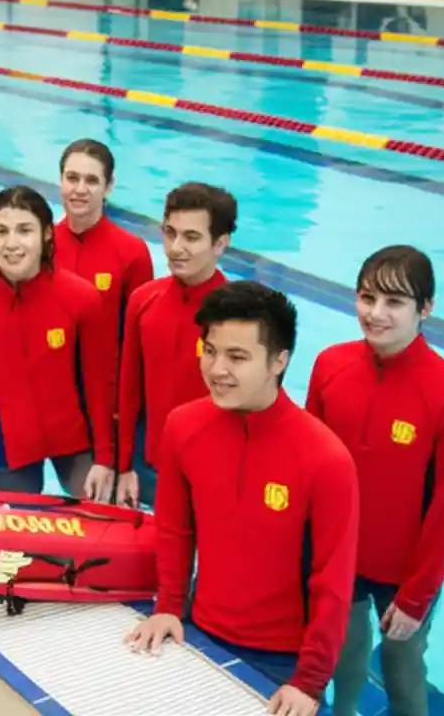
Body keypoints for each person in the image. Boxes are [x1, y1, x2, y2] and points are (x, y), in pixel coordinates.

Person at [124, 280, 359, 716]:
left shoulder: (326, 459)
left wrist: (307, 682)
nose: (216, 369)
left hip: (283, 664)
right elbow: (175, 529)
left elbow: (333, 583)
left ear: (279, 361)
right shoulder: (183, 427)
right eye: (210, 350)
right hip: (199, 632)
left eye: (237, 357)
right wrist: (169, 607)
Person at [305, 246, 444, 716]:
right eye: (367, 297)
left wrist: (418, 594)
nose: (376, 314)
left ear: (426, 309)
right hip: (339, 553)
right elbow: (307, 466)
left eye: (394, 303)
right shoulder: (330, 366)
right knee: (340, 654)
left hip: (405, 570)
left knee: (402, 670)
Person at [0, 186, 116, 495]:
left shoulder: (80, 297)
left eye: (24, 230)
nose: (12, 243)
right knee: (16, 538)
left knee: (102, 519)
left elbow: (97, 383)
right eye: (1, 231)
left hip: (74, 438)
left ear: (47, 234)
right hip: (4, 445)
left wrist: (104, 458)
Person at [104, 182, 235, 508]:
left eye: (191, 237)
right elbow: (129, 392)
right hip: (148, 469)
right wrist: (124, 468)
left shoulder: (238, 313)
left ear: (220, 244)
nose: (176, 247)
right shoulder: (144, 300)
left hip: (212, 472)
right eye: (169, 233)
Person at [52, 138, 154, 344]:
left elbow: (139, 338)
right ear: (60, 180)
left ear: (108, 186)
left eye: (91, 180)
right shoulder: (42, 246)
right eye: (72, 178)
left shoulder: (132, 251)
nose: (80, 189)